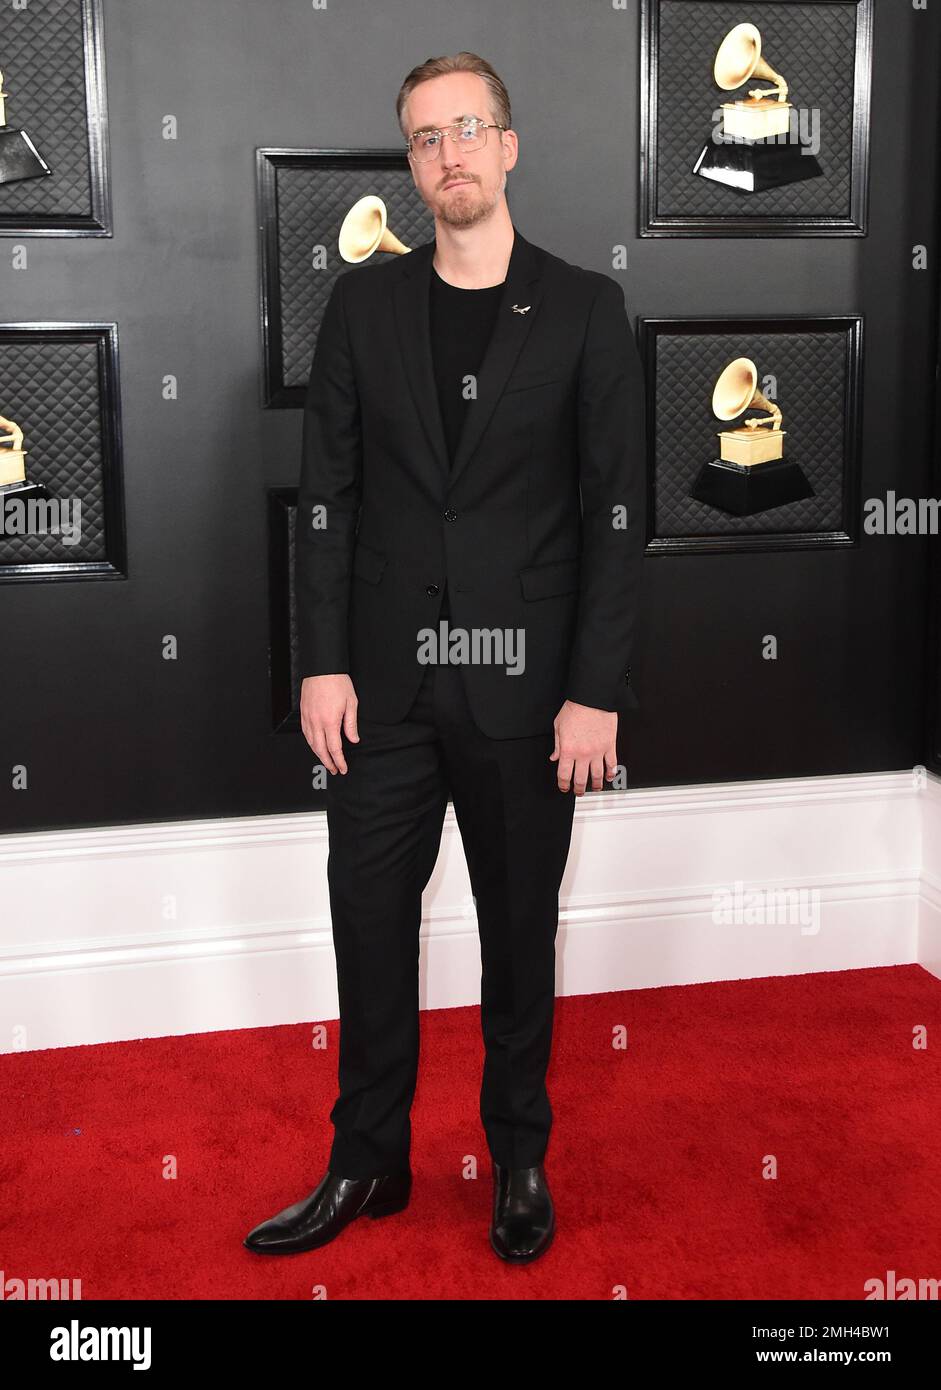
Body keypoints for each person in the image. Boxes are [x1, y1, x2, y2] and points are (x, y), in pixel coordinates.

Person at [244, 50, 645, 1265]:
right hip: (380, 689)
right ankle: (366, 1161)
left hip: (532, 696)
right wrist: (319, 662)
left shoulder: (584, 308)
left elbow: (615, 512)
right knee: (368, 918)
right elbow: (329, 494)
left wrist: (594, 693)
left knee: (519, 929)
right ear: (410, 164)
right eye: (425, 137)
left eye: (468, 128)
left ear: (508, 145)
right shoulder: (363, 306)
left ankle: (517, 1156)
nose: (449, 153)